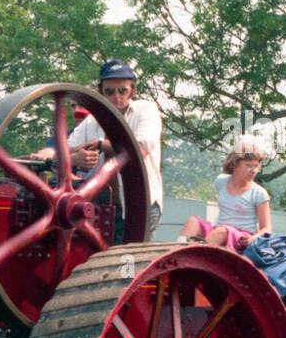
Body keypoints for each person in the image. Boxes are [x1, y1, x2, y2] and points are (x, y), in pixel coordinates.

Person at [31, 59, 164, 237]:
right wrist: (53, 154)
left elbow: (139, 150)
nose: (117, 96)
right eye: (110, 91)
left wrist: (102, 144)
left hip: (140, 206)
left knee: (131, 261)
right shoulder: (92, 121)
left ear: (132, 90)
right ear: (101, 91)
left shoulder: (146, 111)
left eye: (122, 90)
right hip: (100, 209)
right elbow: (65, 148)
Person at [178, 136, 271, 251]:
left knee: (221, 232)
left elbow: (266, 228)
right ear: (235, 164)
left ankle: (199, 258)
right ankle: (177, 254)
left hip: (242, 237)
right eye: (248, 165)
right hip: (219, 229)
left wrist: (252, 238)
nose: (254, 170)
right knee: (193, 221)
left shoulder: (259, 193)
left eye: (256, 166)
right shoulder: (221, 181)